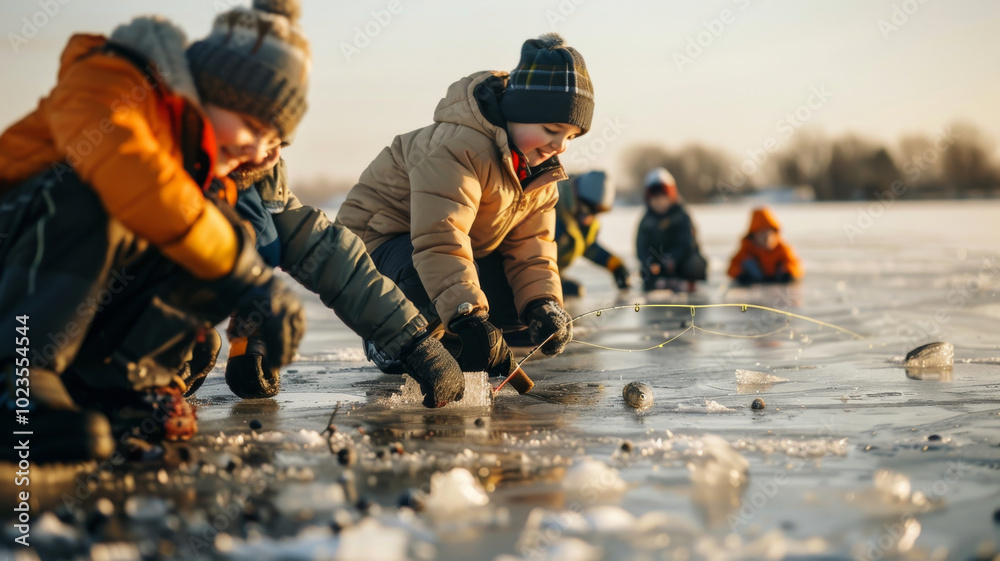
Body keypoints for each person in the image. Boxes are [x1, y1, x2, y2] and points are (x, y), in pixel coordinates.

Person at [336, 33, 591, 378]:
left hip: (443, 249)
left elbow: (532, 250)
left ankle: (449, 338)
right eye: (551, 129)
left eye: (571, 137)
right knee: (431, 288)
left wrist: (542, 305)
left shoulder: (540, 174)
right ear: (517, 113)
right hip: (373, 248)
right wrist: (468, 316)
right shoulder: (460, 148)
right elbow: (441, 237)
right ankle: (387, 337)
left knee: (515, 310)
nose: (559, 146)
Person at [554, 171, 630, 297]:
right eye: (587, 210)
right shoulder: (552, 210)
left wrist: (615, 265)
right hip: (528, 276)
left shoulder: (583, 222)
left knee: (574, 291)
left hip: (549, 276)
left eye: (595, 213)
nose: (589, 218)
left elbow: (588, 246)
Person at [635, 168, 707, 292]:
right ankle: (659, 283)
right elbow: (641, 245)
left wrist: (673, 258)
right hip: (657, 263)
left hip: (680, 261)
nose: (659, 202)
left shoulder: (681, 216)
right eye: (655, 199)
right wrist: (650, 262)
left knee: (694, 264)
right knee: (646, 273)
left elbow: (686, 242)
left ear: (671, 197)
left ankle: (686, 283)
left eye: (663, 198)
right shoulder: (647, 220)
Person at [727, 207, 803, 285]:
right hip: (756, 280)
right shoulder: (747, 248)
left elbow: (795, 265)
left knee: (786, 265)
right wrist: (740, 275)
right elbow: (733, 267)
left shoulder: (783, 248)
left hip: (778, 279)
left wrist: (789, 274)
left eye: (770, 233)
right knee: (747, 261)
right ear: (754, 235)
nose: (767, 238)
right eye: (762, 234)